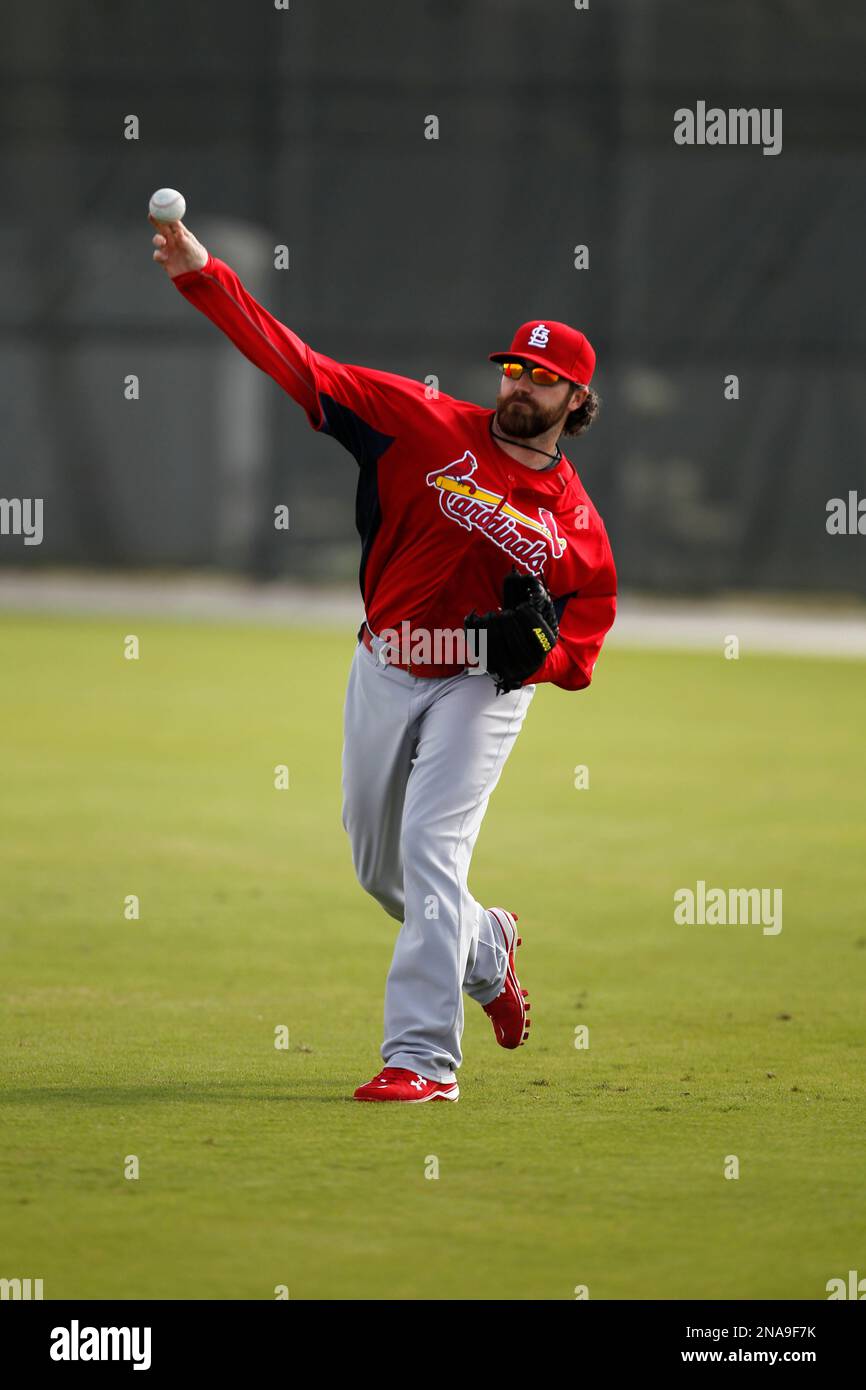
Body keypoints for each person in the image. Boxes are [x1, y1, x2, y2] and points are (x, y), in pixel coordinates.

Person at [150, 214, 617, 1104]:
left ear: (576, 403)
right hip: (387, 662)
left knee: (433, 852)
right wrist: (204, 277)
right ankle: (487, 947)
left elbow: (590, 616)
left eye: (545, 378)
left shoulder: (574, 520)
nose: (522, 384)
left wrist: (546, 658)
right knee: (380, 870)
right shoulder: (421, 420)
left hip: (480, 684)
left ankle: (422, 1062)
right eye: (516, 367)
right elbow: (304, 368)